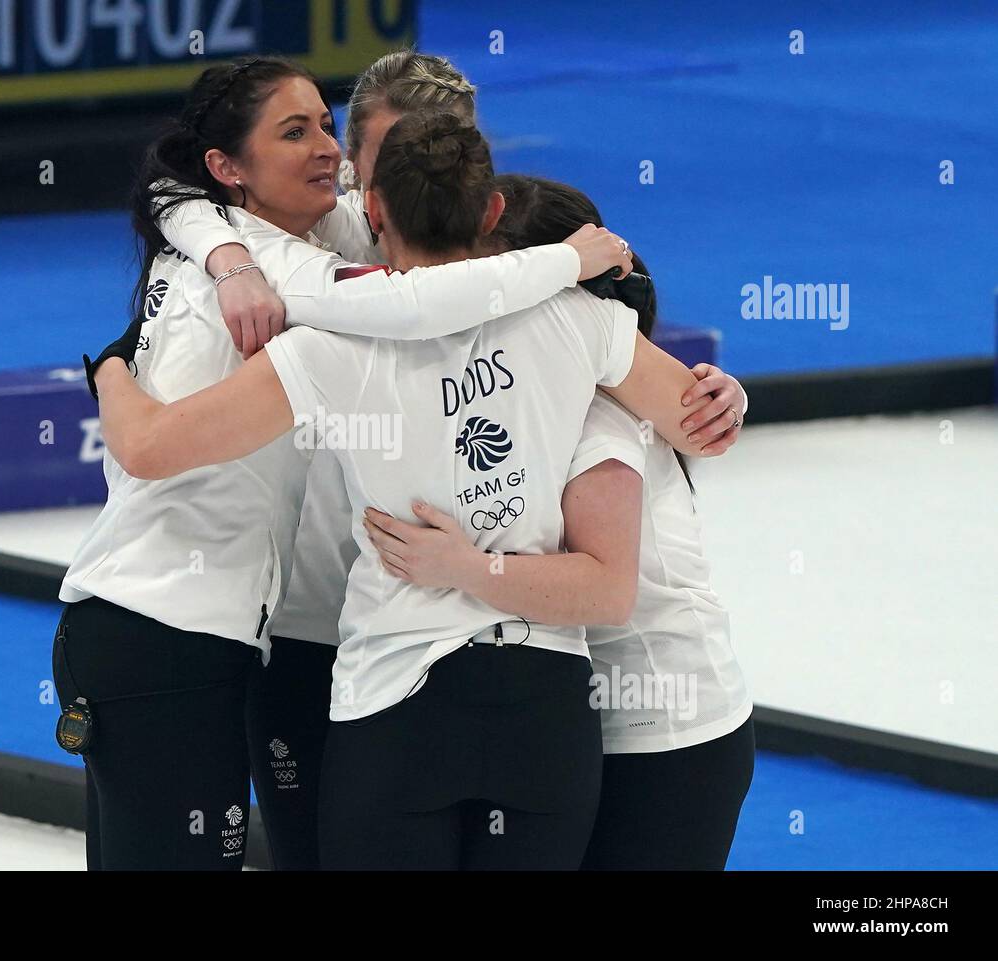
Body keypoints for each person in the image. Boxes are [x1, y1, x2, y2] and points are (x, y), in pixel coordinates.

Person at [149, 48, 746, 870]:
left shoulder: (388, 303)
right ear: (366, 176)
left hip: (450, 663)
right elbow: (171, 194)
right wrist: (230, 260)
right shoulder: (317, 244)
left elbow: (157, 445)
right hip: (325, 629)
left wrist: (719, 399)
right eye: (383, 145)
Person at [54, 58, 631, 871]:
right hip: (179, 627)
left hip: (208, 629)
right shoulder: (294, 269)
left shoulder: (291, 232)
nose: (326, 150)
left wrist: (213, 264)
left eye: (323, 125)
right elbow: (428, 297)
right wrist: (571, 265)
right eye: (298, 133)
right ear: (230, 168)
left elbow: (170, 191)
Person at [363, 174, 755, 870]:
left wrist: (458, 567)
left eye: (497, 273)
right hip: (607, 719)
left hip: (663, 737)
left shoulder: (594, 416)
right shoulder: (559, 385)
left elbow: (608, 592)